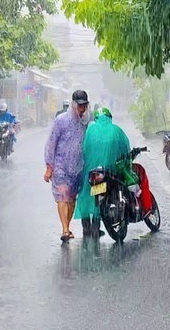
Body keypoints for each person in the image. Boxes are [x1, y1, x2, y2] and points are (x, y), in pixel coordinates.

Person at [74, 106, 131, 238]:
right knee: (100, 199)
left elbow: (84, 149)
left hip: (90, 173)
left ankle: (86, 228)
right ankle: (96, 227)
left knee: (86, 197)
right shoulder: (117, 130)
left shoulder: (90, 129)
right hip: (109, 172)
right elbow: (125, 149)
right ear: (109, 118)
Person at [44, 89, 91, 241]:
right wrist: (49, 167)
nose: (82, 109)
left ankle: (67, 226)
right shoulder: (61, 120)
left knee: (72, 200)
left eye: (84, 106)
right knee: (63, 196)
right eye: (79, 106)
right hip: (61, 166)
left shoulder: (87, 122)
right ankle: (65, 230)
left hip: (78, 168)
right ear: (73, 105)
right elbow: (51, 143)